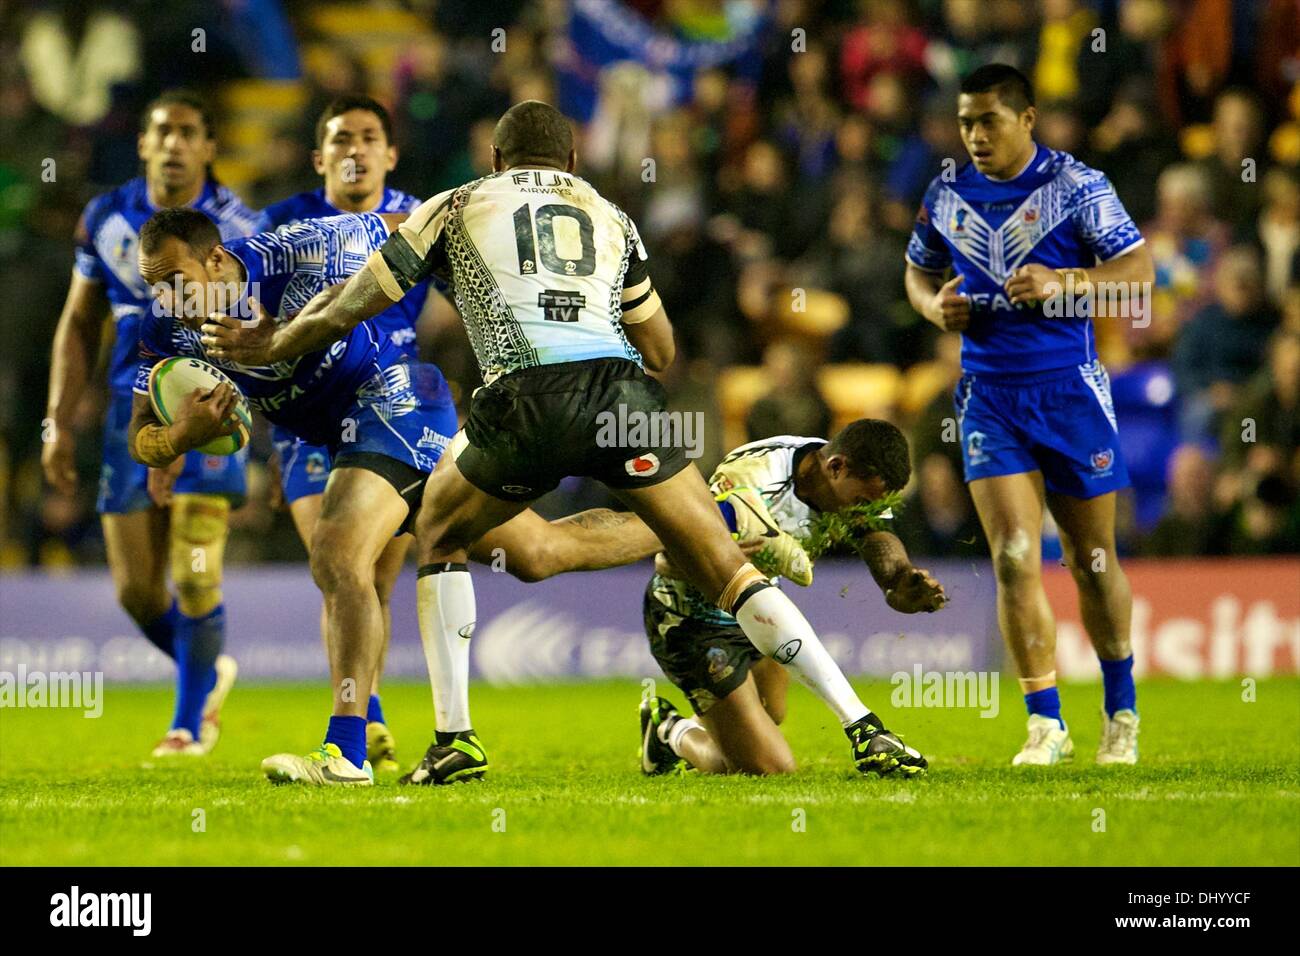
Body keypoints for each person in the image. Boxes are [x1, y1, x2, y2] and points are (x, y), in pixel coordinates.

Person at [204, 100, 938, 784]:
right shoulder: (609, 212)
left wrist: (276, 343)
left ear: (495, 158)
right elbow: (659, 345)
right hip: (622, 391)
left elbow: (351, 303)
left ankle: (453, 739)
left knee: (439, 530)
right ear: (574, 158)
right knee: (720, 554)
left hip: (523, 397)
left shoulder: (456, 204)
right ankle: (866, 727)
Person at [134, 207, 660, 786]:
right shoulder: (165, 325)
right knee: (538, 552)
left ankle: (346, 752)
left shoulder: (297, 249)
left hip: (396, 396)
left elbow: (407, 223)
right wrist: (180, 438)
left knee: (337, 552)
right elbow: (144, 436)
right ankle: (707, 519)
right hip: (344, 439)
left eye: (174, 279)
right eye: (154, 284)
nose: (167, 295)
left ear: (215, 258)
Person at [903, 64, 1155, 766]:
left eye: (988, 121)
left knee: (1090, 558)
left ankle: (1121, 708)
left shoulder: (1078, 187)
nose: (974, 136)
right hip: (989, 395)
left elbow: (1139, 276)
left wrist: (1065, 283)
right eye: (965, 122)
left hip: (1070, 393)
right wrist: (933, 307)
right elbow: (917, 272)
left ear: (1027, 119)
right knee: (1014, 555)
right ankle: (1045, 723)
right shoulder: (947, 191)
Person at [42, 90, 259, 757]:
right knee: (138, 591)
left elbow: (263, 336)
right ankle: (209, 668)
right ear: (142, 143)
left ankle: (187, 723)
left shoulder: (243, 226)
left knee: (194, 567)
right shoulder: (105, 217)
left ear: (208, 146)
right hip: (128, 409)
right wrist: (56, 421)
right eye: (160, 130)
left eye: (187, 132)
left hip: (212, 405)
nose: (172, 143)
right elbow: (80, 323)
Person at [253, 94, 432, 773]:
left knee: (376, 577)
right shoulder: (282, 223)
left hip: (393, 411)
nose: (354, 149)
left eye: (368, 136)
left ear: (389, 153)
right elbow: (248, 318)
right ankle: (361, 722)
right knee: (337, 568)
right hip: (308, 416)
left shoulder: (423, 220)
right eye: (340, 139)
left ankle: (362, 717)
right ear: (318, 157)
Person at [639, 421, 947, 776]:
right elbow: (670, 556)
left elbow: (877, 535)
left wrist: (899, 578)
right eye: (860, 502)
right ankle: (668, 730)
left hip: (758, 609)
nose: (860, 513)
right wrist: (714, 555)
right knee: (769, 768)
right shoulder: (754, 476)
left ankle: (711, 728)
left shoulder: (851, 470)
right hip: (692, 618)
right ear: (836, 468)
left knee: (771, 711)